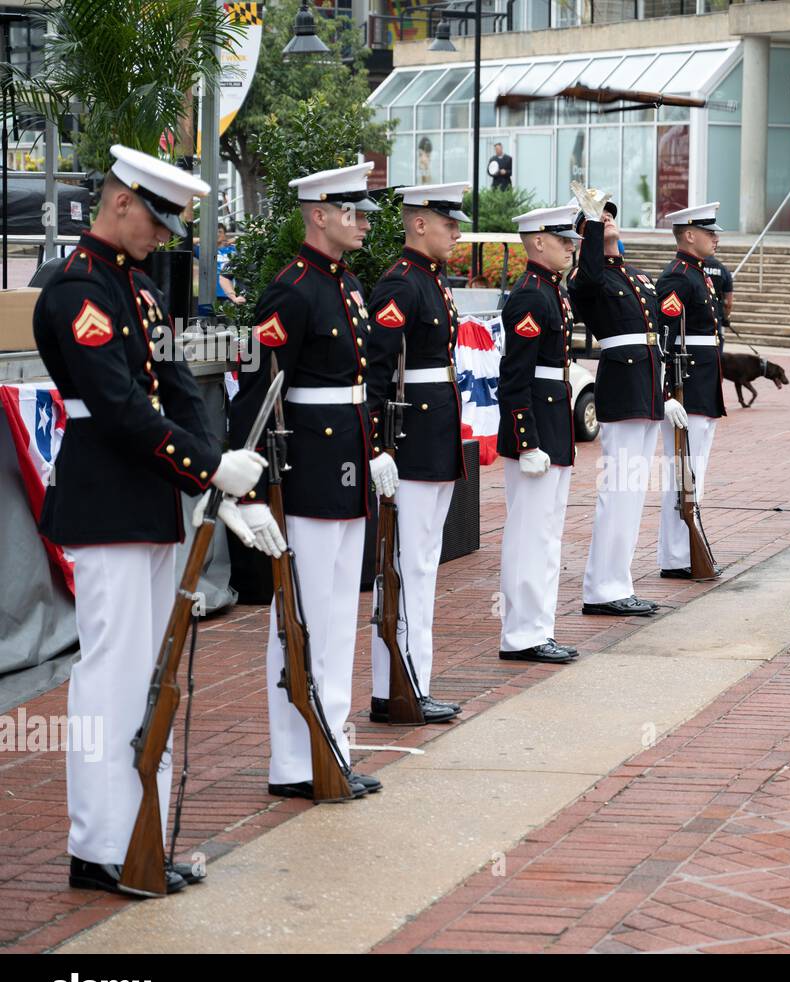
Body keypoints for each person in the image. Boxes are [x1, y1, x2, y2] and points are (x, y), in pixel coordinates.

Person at [36, 145, 271, 897]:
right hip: (108, 498)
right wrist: (207, 471)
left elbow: (171, 385)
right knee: (110, 673)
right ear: (122, 202)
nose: (165, 238)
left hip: (147, 500)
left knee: (150, 671)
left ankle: (139, 835)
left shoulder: (136, 292)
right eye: (159, 220)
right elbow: (120, 408)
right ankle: (99, 844)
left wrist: (223, 476)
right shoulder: (76, 290)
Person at [228, 160, 390, 801]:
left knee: (335, 614)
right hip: (310, 471)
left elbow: (357, 387)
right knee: (301, 617)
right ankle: (295, 760)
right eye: (349, 210)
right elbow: (260, 393)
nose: (361, 221)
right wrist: (245, 488)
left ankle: (331, 744)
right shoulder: (292, 290)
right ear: (318, 214)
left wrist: (374, 448)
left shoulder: (345, 285)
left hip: (345, 465)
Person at [365, 183, 470, 725]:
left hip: (435, 438)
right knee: (405, 566)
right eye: (448, 222)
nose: (457, 232)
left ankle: (414, 681)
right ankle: (397, 686)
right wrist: (380, 446)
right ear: (420, 224)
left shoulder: (430, 281)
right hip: (409, 444)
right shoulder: (400, 284)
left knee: (424, 564)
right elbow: (378, 374)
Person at [568, 181, 688, 617]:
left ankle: (618, 582)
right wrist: (592, 233)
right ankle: (601, 587)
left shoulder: (637, 277)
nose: (609, 219)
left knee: (635, 491)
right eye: (600, 217)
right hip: (620, 388)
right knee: (616, 490)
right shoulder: (586, 278)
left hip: (647, 390)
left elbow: (654, 338)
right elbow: (589, 278)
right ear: (585, 233)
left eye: (612, 215)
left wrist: (663, 393)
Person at [497, 203, 582, 663]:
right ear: (537, 242)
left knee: (547, 535)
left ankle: (537, 628)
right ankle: (522, 634)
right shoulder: (532, 294)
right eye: (562, 239)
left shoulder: (551, 290)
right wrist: (526, 441)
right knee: (530, 535)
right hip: (537, 432)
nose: (570, 246)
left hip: (553, 427)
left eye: (571, 239)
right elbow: (515, 377)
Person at [656, 202, 726, 580]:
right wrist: (666, 394)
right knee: (682, 476)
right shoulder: (677, 278)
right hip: (686, 393)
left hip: (701, 389)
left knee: (693, 475)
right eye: (709, 231)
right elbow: (664, 340)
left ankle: (682, 552)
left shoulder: (699, 274)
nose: (716, 236)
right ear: (688, 235)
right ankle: (676, 556)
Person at [701, 253, 734, 327]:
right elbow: (728, 303)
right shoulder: (722, 269)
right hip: (715, 312)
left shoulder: (695, 266)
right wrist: (726, 318)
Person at [216, 223, 245, 306]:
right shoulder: (205, 250)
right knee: (208, 318)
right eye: (214, 232)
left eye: (220, 232)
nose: (217, 234)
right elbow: (187, 242)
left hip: (229, 294)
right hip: (210, 294)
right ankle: (179, 320)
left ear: (225, 234)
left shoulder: (234, 249)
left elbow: (251, 239)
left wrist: (236, 239)